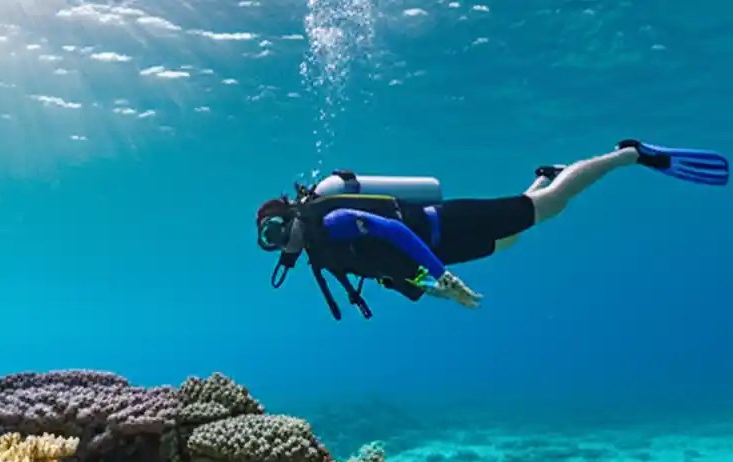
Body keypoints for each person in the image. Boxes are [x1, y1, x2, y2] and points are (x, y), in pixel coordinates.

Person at [255, 139, 729, 319]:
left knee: (551, 208)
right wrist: (443, 291)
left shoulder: (332, 221)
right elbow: (390, 272)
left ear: (290, 214)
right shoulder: (324, 255)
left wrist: (440, 274)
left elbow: (396, 236)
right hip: (449, 251)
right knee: (516, 236)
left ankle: (630, 153)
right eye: (269, 240)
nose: (279, 241)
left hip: (450, 224)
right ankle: (545, 175)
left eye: (277, 228)